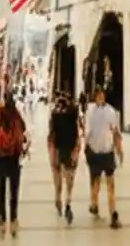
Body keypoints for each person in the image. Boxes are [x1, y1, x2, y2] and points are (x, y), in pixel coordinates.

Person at [0, 93, 29, 238]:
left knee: (0, 189)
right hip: (14, 159)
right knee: (14, 190)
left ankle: (1, 218)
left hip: (0, 158)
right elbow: (23, 134)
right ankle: (13, 218)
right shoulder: (16, 117)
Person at [83, 87, 123, 229]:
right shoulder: (90, 111)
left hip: (106, 151)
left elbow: (116, 131)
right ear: (95, 97)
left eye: (102, 96)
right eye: (98, 96)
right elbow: (87, 131)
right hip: (95, 151)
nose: (100, 98)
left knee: (110, 184)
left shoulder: (110, 112)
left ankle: (113, 213)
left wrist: (119, 149)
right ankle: (94, 204)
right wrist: (85, 146)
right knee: (96, 183)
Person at [48, 92, 82, 224]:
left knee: (57, 177)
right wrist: (76, 151)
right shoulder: (73, 117)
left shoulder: (55, 117)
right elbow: (77, 137)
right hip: (69, 148)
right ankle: (67, 200)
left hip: (57, 149)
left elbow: (51, 136)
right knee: (69, 177)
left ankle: (58, 197)